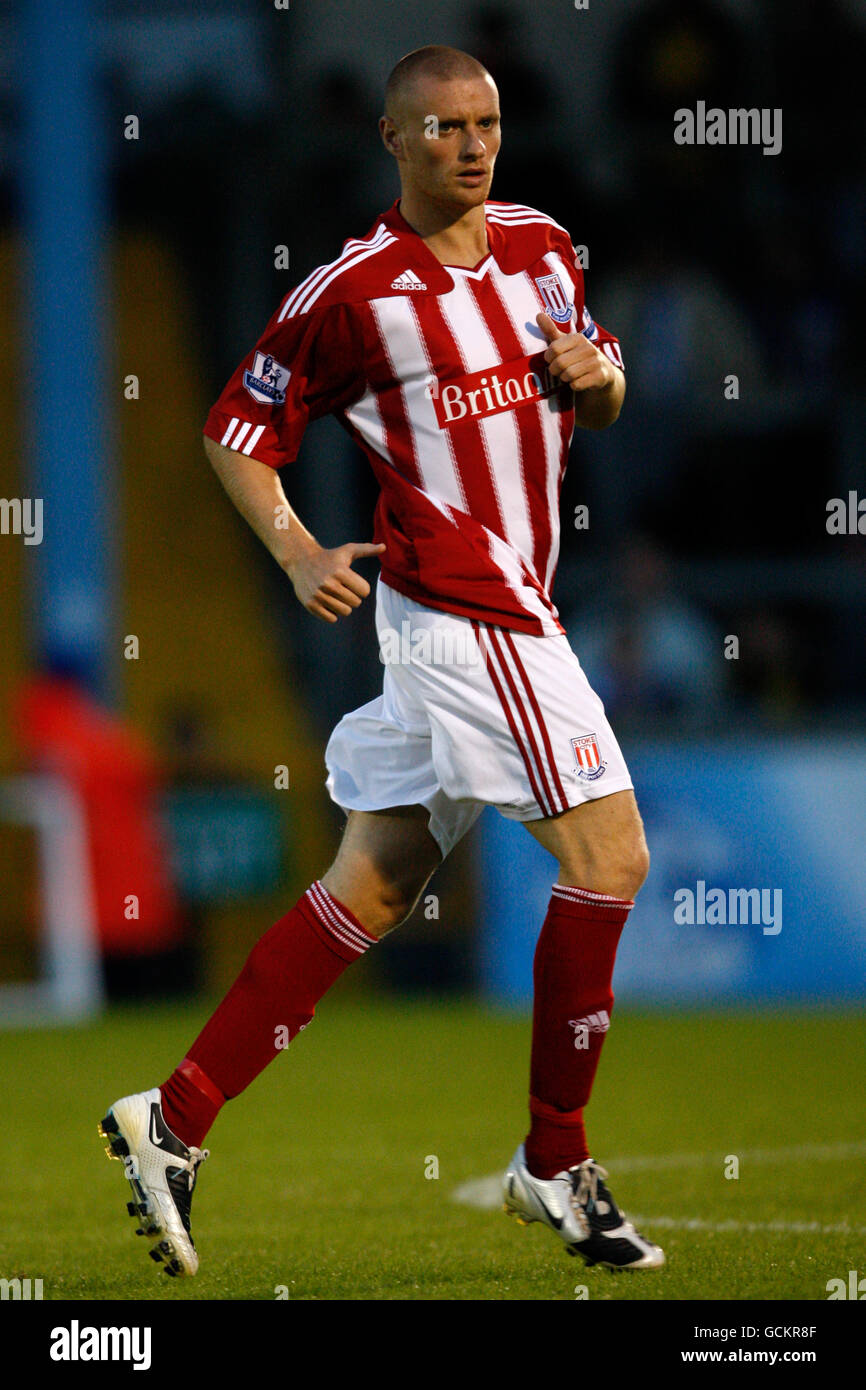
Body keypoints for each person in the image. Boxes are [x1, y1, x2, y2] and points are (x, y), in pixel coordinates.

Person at [99, 45, 663, 1280]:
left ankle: (172, 1120)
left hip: (506, 604)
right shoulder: (351, 293)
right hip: (464, 611)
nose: (473, 145)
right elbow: (234, 429)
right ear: (392, 139)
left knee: (371, 883)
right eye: (446, 127)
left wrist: (599, 378)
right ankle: (553, 1160)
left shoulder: (543, 248)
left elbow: (602, 388)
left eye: (489, 122)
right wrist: (299, 551)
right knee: (610, 854)